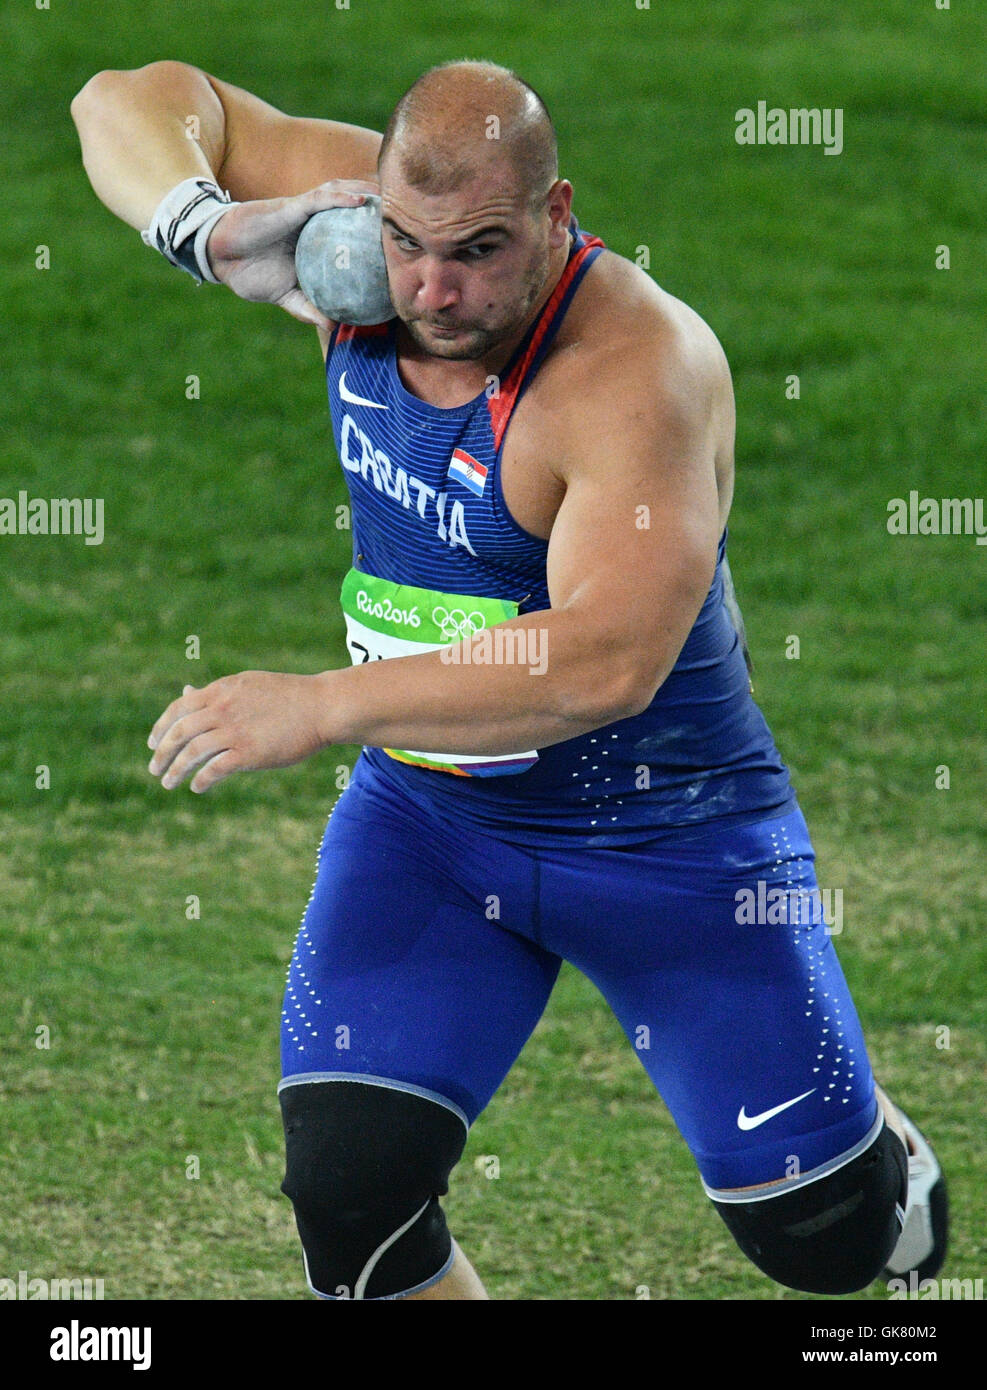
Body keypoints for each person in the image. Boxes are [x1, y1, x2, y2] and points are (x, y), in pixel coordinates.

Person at [71, 58, 947, 1301]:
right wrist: (207, 232)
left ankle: (885, 1171)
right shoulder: (369, 253)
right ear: (371, 204)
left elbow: (603, 663)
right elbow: (125, 97)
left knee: (825, 1243)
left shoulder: (636, 374)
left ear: (556, 213)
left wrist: (319, 705)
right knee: (351, 1195)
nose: (432, 288)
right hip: (433, 823)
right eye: (407, 243)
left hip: (673, 845)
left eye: (480, 251)